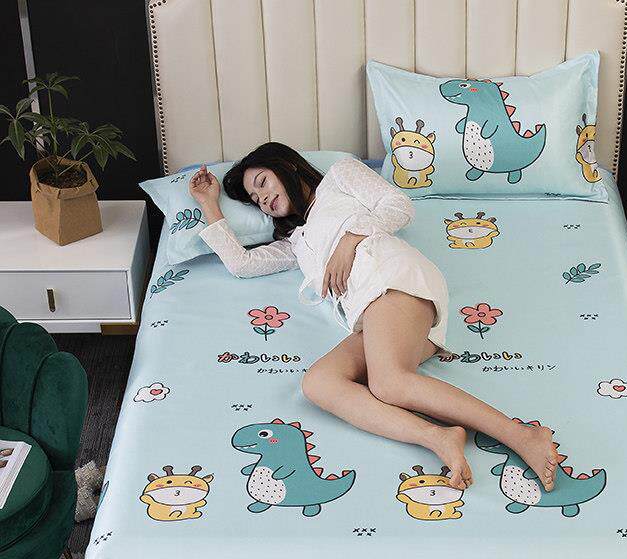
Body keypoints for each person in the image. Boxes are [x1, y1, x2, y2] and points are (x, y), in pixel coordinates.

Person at [189, 142, 558, 491]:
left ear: (286, 166)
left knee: (388, 384)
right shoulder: (296, 242)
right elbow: (242, 264)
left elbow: (399, 206)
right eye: (255, 199)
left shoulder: (339, 177)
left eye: (262, 182)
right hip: (373, 313)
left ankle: (521, 434)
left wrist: (349, 240)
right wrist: (208, 203)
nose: (263, 199)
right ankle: (437, 436)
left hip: (393, 280)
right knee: (319, 383)